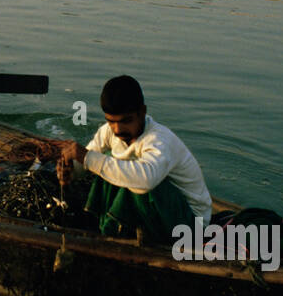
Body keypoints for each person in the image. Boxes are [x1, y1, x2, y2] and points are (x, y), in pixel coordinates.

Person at [57, 75, 212, 243]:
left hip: (191, 226)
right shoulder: (108, 132)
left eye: (126, 121)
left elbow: (145, 181)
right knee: (105, 160)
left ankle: (113, 234)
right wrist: (71, 171)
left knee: (140, 179)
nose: (117, 130)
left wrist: (87, 157)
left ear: (142, 112)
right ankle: (108, 228)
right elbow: (88, 162)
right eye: (111, 122)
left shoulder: (159, 140)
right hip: (160, 215)